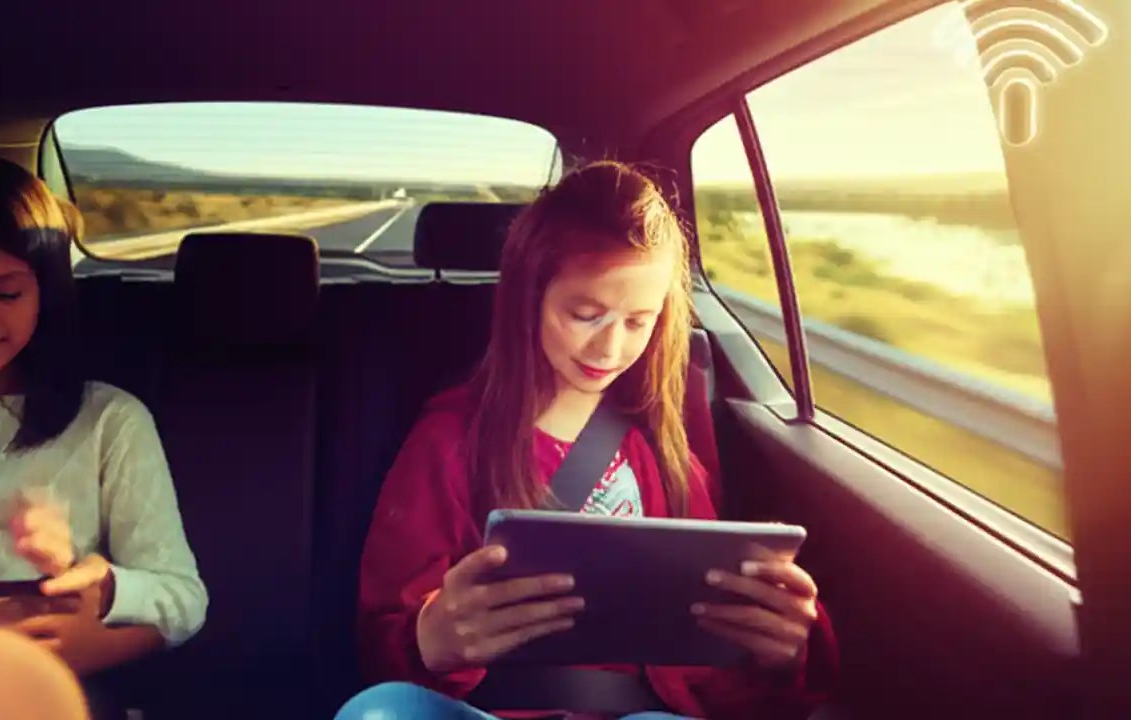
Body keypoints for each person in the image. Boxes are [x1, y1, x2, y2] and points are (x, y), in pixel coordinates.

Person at [340, 161, 837, 719]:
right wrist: (431, 639)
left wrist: (776, 654)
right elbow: (381, 645)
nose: (608, 350)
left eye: (638, 322)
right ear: (528, 300)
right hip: (494, 709)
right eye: (585, 314)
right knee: (382, 709)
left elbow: (704, 678)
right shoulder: (451, 442)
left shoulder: (666, 454)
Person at [0, 151, 207, 676]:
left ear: (46, 290)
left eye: (6, 292)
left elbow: (182, 596)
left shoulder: (108, 422)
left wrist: (100, 617)